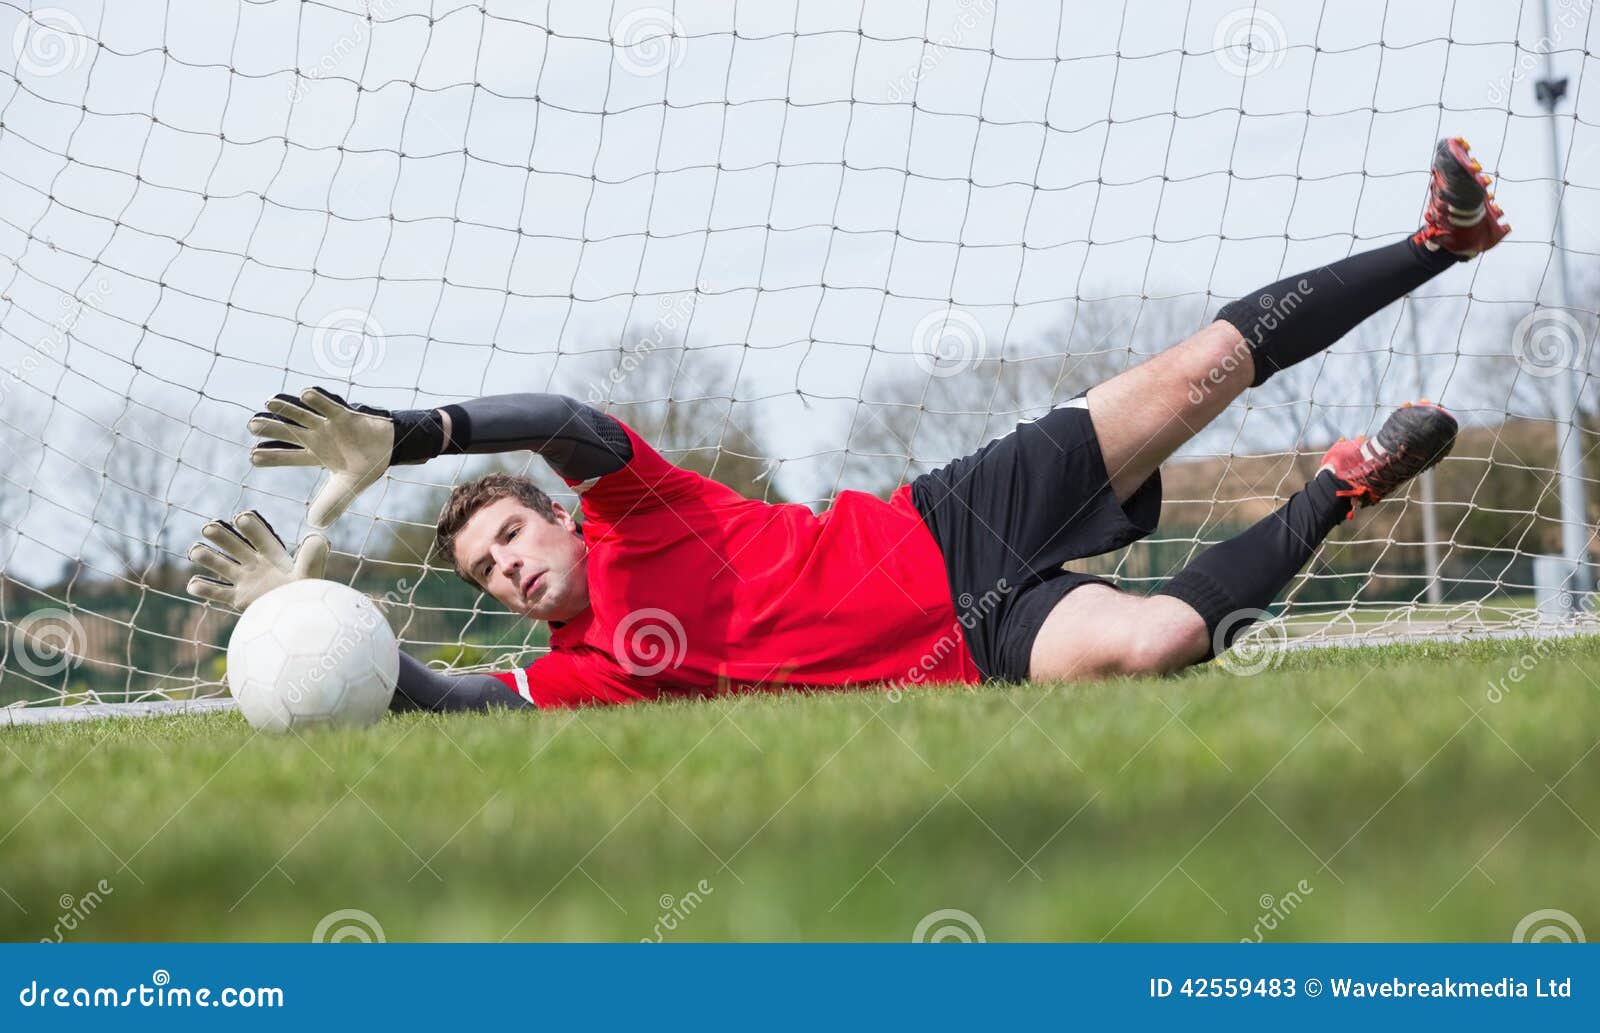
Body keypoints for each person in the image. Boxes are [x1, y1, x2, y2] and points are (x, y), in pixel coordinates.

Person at [187, 137, 1508, 712]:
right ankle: (1347, 481)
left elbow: (568, 416)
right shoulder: (584, 672)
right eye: (486, 573)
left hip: (953, 518)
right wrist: (305, 630)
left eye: (512, 534)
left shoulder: (644, 504)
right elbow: (441, 695)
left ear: (555, 513)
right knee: (1160, 643)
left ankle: (1431, 242)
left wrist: (412, 434)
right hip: (979, 647)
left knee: (1201, 371)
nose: (509, 566)